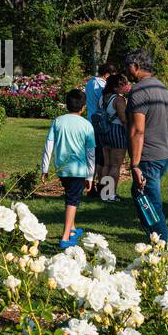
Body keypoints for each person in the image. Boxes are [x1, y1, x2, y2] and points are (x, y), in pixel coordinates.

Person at [124, 49, 168, 244]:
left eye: (128, 67)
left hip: (148, 157)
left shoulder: (139, 91)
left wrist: (135, 165)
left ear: (135, 67)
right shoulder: (163, 88)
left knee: (149, 204)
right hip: (164, 153)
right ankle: (155, 242)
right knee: (145, 197)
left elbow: (138, 130)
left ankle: (163, 248)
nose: (127, 72)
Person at [40, 87, 96, 248]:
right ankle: (66, 236)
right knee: (72, 201)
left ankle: (72, 228)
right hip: (78, 170)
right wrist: (90, 176)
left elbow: (48, 145)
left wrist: (45, 168)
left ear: (66, 105)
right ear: (83, 107)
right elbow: (91, 153)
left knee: (70, 195)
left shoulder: (58, 121)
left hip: (62, 169)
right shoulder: (87, 125)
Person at [97, 71, 130, 202]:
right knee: (115, 166)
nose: (124, 86)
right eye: (122, 84)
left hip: (104, 132)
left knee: (107, 164)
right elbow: (123, 119)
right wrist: (129, 135)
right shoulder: (118, 99)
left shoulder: (102, 97)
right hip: (117, 132)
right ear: (116, 86)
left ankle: (104, 193)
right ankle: (111, 194)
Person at [85, 63, 112, 193]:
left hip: (90, 120)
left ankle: (91, 185)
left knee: (92, 155)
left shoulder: (90, 83)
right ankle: (102, 187)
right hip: (100, 122)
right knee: (101, 156)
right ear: (107, 74)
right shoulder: (102, 85)